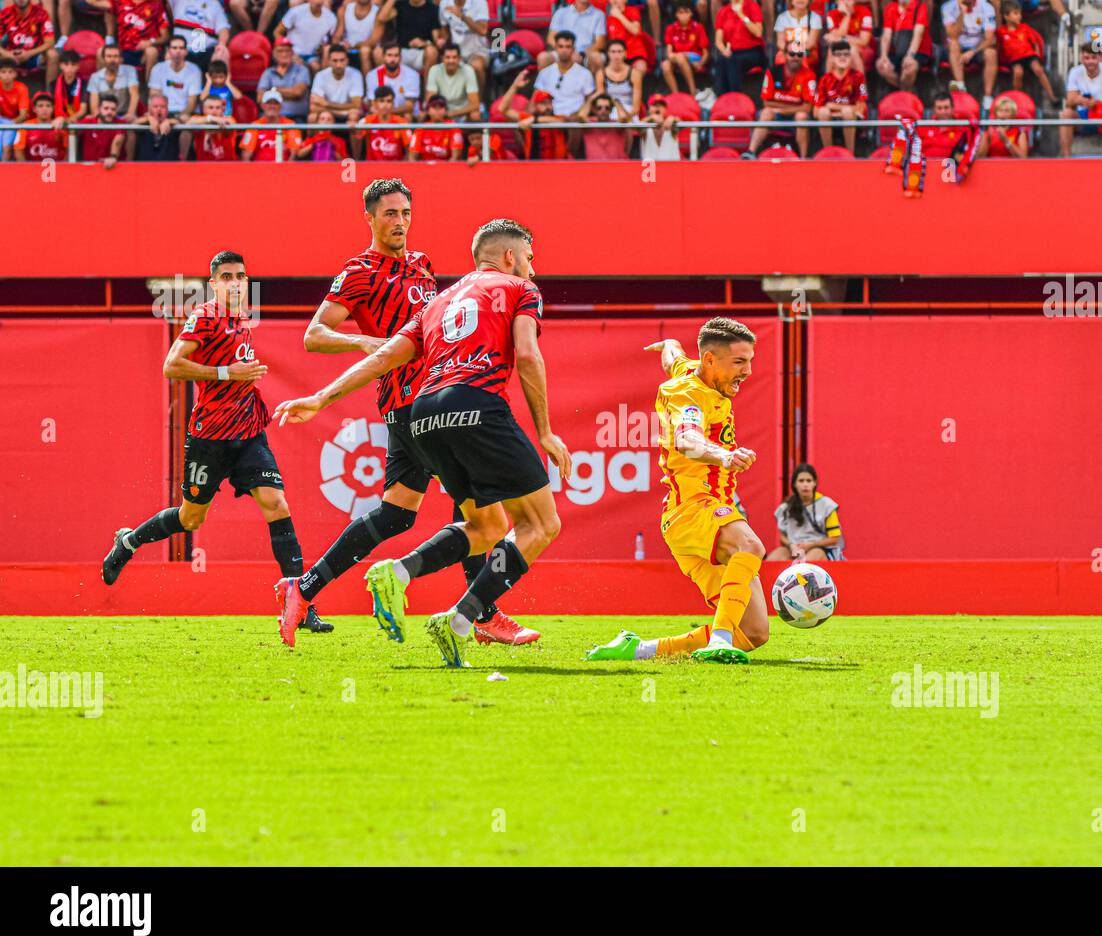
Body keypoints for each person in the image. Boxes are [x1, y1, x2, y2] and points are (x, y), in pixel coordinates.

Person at [274, 218, 571, 667]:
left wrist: (320, 398)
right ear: (510, 257)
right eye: (529, 258)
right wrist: (545, 431)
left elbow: (384, 357)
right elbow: (528, 354)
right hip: (477, 404)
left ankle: (398, 572)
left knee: (486, 527)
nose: (533, 268)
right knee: (540, 525)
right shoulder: (519, 288)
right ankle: (462, 619)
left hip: (423, 412)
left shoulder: (438, 301)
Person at [101, 252, 334, 637]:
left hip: (247, 432)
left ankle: (301, 602)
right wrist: (226, 372)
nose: (235, 283)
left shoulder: (242, 318)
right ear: (214, 284)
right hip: (210, 437)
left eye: (241, 276)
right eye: (226, 277)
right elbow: (171, 365)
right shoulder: (205, 316)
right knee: (192, 517)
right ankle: (128, 542)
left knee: (276, 504)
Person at [585, 319, 766, 664]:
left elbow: (673, 357)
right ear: (712, 360)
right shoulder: (687, 395)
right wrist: (725, 455)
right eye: (740, 362)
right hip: (693, 509)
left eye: (750, 361)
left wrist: (667, 343)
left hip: (699, 520)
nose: (748, 371)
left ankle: (637, 649)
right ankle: (720, 641)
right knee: (750, 545)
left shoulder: (694, 370)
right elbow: (687, 438)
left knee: (754, 632)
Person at [744, 43, 816, 158]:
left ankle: (803, 158)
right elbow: (766, 102)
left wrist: (781, 109)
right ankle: (751, 152)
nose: (796, 58)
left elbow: (807, 107)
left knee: (801, 116)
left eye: (799, 54)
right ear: (785, 55)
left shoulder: (809, 75)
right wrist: (788, 108)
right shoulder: (772, 72)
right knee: (766, 112)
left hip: (793, 115)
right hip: (777, 113)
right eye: (792, 54)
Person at [766, 464, 844, 561]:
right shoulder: (785, 507)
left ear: (815, 483)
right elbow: (782, 537)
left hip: (819, 548)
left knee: (807, 563)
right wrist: (791, 546)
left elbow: (835, 539)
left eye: (809, 481)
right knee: (773, 560)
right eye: (801, 481)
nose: (805, 484)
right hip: (793, 548)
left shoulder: (827, 505)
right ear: (794, 484)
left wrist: (811, 545)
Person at [1059, 43, 1102, 156]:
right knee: (1065, 114)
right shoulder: (1075, 72)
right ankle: (1066, 157)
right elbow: (1069, 101)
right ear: (1081, 58)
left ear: (1100, 58)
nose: (1090, 61)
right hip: (1082, 115)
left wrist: (1098, 103)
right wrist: (1080, 100)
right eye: (1087, 58)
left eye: (1094, 58)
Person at [942, 0, 998, 112]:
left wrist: (973, 51)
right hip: (957, 47)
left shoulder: (986, 7)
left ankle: (987, 97)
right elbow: (952, 35)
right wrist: (962, 14)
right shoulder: (948, 7)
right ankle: (961, 88)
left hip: (978, 47)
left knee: (991, 53)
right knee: (953, 44)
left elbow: (990, 38)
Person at [814, 39, 867, 153]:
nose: (842, 57)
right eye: (838, 55)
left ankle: (850, 154)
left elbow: (860, 108)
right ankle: (828, 152)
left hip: (854, 121)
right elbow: (816, 111)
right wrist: (835, 110)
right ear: (832, 58)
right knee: (823, 113)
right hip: (830, 121)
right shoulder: (824, 80)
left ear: (851, 57)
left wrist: (833, 106)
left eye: (846, 54)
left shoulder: (858, 77)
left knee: (847, 111)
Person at [997, 1, 1054, 103]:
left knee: (1038, 70)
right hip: (1014, 59)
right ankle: (1017, 99)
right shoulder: (1001, 31)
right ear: (1006, 16)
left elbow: (1036, 42)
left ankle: (1052, 97)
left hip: (1029, 56)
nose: (1019, 16)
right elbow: (998, 46)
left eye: (1019, 13)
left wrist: (1037, 56)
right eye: (1015, 13)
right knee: (1018, 73)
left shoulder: (1024, 28)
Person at [90, 0, 167, 76]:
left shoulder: (156, 3)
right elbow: (93, 2)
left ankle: (151, 87)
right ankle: (102, 87)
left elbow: (165, 37)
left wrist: (150, 42)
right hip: (122, 52)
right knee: (101, 52)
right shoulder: (119, 2)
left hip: (144, 53)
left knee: (152, 52)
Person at [376, 0, 446, 78]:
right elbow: (382, 18)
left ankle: (428, 89)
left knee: (432, 51)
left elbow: (436, 40)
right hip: (400, 52)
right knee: (379, 52)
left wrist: (424, 43)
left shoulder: (433, 9)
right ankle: (385, 89)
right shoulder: (400, 5)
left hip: (422, 53)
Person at [875, 0, 932, 93]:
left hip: (919, 50)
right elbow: (886, 34)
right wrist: (884, 56)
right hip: (897, 50)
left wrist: (910, 56)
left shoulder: (919, 6)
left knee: (909, 68)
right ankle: (907, 90)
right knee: (881, 66)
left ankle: (904, 94)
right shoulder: (891, 7)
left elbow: (918, 34)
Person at [713, 0, 765, 95]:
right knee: (721, 60)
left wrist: (741, 15)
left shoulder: (752, 5)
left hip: (752, 51)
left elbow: (758, 32)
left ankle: (736, 99)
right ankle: (722, 100)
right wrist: (724, 50)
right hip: (732, 52)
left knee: (733, 61)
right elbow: (718, 41)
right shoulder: (724, 11)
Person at [0, 0, 55, 87]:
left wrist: (29, 54)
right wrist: (7, 54)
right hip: (11, 56)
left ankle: (49, 94)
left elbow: (50, 41)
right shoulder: (4, 14)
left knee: (53, 55)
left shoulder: (41, 13)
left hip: (34, 56)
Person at [257, 37, 313, 121]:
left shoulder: (301, 70)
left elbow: (297, 92)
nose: (284, 54)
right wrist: (289, 94)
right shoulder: (268, 73)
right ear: (274, 54)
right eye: (280, 51)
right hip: (271, 118)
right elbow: (260, 98)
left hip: (296, 118)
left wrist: (272, 90)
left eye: (287, 51)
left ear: (292, 53)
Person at [662, 2, 710, 99]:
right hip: (677, 58)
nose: (683, 15)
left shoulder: (698, 27)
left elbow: (705, 52)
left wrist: (702, 63)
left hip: (695, 58)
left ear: (691, 14)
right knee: (665, 65)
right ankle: (676, 95)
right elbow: (669, 52)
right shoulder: (671, 28)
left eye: (686, 12)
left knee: (680, 57)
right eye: (680, 12)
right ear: (676, 14)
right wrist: (674, 56)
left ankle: (693, 92)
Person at [149, 35, 204, 120]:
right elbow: (154, 96)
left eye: (181, 48)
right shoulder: (158, 68)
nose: (178, 51)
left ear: (186, 51)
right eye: (174, 48)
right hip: (164, 113)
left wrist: (177, 118)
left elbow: (192, 102)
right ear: (168, 50)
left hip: (185, 115)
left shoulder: (194, 70)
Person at [543, 0, 607, 71]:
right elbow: (551, 39)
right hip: (563, 49)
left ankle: (594, 82)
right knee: (543, 58)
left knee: (597, 58)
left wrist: (582, 54)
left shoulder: (599, 15)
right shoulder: (560, 13)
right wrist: (566, 51)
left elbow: (600, 43)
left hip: (585, 53)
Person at [240, 88, 302, 160]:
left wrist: (287, 170)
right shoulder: (255, 126)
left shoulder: (290, 125)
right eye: (268, 103)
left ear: (280, 106)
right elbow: (246, 156)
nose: (272, 106)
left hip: (283, 169)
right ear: (262, 105)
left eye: (275, 103)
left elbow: (293, 155)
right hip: (259, 169)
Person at [170, 0, 231, 74]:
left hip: (206, 51)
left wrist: (222, 44)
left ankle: (218, 85)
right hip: (182, 49)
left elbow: (223, 28)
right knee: (172, 52)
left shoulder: (214, 4)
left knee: (222, 53)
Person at [439, 0, 489, 89]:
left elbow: (483, 30)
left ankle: (479, 101)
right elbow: (444, 27)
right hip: (456, 50)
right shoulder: (444, 2)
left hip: (477, 50)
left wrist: (462, 17)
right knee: (445, 65)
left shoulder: (480, 2)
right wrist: (445, 44)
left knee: (476, 66)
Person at [310, 44, 365, 125]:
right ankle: (317, 138)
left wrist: (327, 104)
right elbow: (313, 107)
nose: (338, 65)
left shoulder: (355, 74)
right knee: (312, 117)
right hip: (335, 112)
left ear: (347, 60)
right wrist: (338, 111)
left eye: (342, 60)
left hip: (347, 113)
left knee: (354, 115)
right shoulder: (320, 76)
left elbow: (356, 104)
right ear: (329, 61)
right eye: (335, 61)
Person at [425, 42, 480, 121]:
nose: (451, 61)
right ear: (442, 58)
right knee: (428, 113)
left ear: (459, 59)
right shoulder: (434, 70)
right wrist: (441, 112)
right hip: (441, 111)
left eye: (454, 57)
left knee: (475, 115)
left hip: (463, 112)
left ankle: (472, 134)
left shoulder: (468, 70)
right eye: (447, 57)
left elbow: (475, 104)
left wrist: (452, 113)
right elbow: (431, 100)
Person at [366, 42, 422, 117]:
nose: (392, 59)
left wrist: (387, 112)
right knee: (373, 111)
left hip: (403, 113)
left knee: (407, 115)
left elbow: (409, 106)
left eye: (396, 55)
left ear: (400, 57)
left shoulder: (412, 75)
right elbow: (373, 103)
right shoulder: (373, 75)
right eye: (389, 55)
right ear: (383, 57)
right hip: (380, 113)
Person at [88, 43, 142, 119]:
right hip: (104, 118)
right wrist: (102, 119)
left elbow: (134, 95)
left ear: (121, 59)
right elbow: (94, 107)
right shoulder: (95, 77)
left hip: (125, 117)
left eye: (116, 56)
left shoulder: (130, 71)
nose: (112, 60)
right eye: (109, 56)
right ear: (103, 59)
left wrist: (130, 114)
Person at [354, 84, 407, 159]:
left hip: (395, 168)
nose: (385, 105)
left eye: (389, 101)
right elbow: (357, 140)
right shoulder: (367, 121)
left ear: (393, 104)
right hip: (372, 167)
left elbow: (409, 151)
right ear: (375, 103)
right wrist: (354, 130)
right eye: (381, 101)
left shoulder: (401, 122)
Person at [824, 0, 874, 76]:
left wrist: (842, 39)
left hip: (865, 50)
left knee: (851, 50)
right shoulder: (831, 14)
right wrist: (847, 16)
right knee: (832, 50)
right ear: (837, 2)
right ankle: (829, 85)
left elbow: (864, 41)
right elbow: (835, 38)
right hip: (844, 48)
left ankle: (861, 86)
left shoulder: (864, 11)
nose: (845, 2)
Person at [595, 38, 642, 117]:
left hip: (629, 112)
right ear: (608, 54)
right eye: (613, 52)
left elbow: (636, 108)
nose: (616, 55)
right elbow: (601, 100)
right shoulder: (601, 74)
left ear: (625, 53)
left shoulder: (634, 74)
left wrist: (626, 117)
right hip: (608, 112)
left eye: (619, 51)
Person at [81, 92, 129, 167]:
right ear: (99, 109)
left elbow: (118, 141)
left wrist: (113, 157)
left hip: (113, 169)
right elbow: (73, 131)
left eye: (113, 109)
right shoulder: (88, 122)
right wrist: (62, 120)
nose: (109, 112)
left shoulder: (120, 123)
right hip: (89, 169)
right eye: (106, 108)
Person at [15, 92, 67, 160]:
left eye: (48, 106)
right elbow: (18, 151)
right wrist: (26, 169)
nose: (44, 109)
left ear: (53, 108)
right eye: (40, 106)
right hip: (31, 168)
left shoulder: (60, 125)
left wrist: (63, 168)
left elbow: (68, 151)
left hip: (56, 168)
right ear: (34, 109)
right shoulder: (25, 126)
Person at [578, 90, 630, 158]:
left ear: (611, 110)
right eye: (599, 108)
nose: (603, 110)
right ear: (594, 109)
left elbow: (624, 117)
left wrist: (615, 101)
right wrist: (590, 99)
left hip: (617, 166)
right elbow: (581, 116)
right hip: (594, 167)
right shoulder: (590, 125)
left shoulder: (616, 125)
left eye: (607, 108)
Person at [187, 92, 239, 160]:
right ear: (203, 110)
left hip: (227, 166)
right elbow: (188, 123)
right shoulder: (198, 120)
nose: (214, 111)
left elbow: (231, 122)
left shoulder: (228, 119)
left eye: (218, 107)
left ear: (222, 109)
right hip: (204, 167)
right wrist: (211, 118)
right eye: (210, 107)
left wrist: (216, 121)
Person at [334, 0, 382, 74]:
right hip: (347, 48)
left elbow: (373, 41)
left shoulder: (378, 12)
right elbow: (338, 35)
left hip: (368, 50)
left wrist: (353, 46)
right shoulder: (344, 9)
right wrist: (340, 45)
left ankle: (367, 84)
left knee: (365, 51)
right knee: (330, 49)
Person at [408, 93, 460, 159]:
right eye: (434, 107)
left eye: (441, 107)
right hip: (424, 168)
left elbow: (455, 157)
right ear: (428, 111)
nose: (437, 110)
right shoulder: (420, 128)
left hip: (446, 167)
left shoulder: (453, 127)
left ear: (446, 110)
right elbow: (412, 157)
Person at [132, 91, 181, 160]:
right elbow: (133, 124)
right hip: (145, 166)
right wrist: (148, 118)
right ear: (149, 109)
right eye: (155, 106)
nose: (159, 109)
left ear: (167, 109)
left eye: (163, 106)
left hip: (169, 166)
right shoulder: (144, 121)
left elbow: (180, 123)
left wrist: (168, 121)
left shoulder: (171, 120)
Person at [0, 57, 32, 162]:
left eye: (10, 72)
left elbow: (23, 115)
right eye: (3, 72)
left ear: (15, 74)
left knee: (6, 148)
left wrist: (8, 124)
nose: (7, 75)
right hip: (2, 123)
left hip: (16, 124)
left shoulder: (22, 88)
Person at [639, 91, 680, 159]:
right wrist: (650, 118)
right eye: (654, 105)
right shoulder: (645, 126)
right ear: (649, 109)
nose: (658, 107)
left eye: (661, 105)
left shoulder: (672, 124)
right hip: (650, 169)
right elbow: (636, 126)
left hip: (672, 168)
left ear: (665, 109)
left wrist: (673, 119)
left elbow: (680, 121)